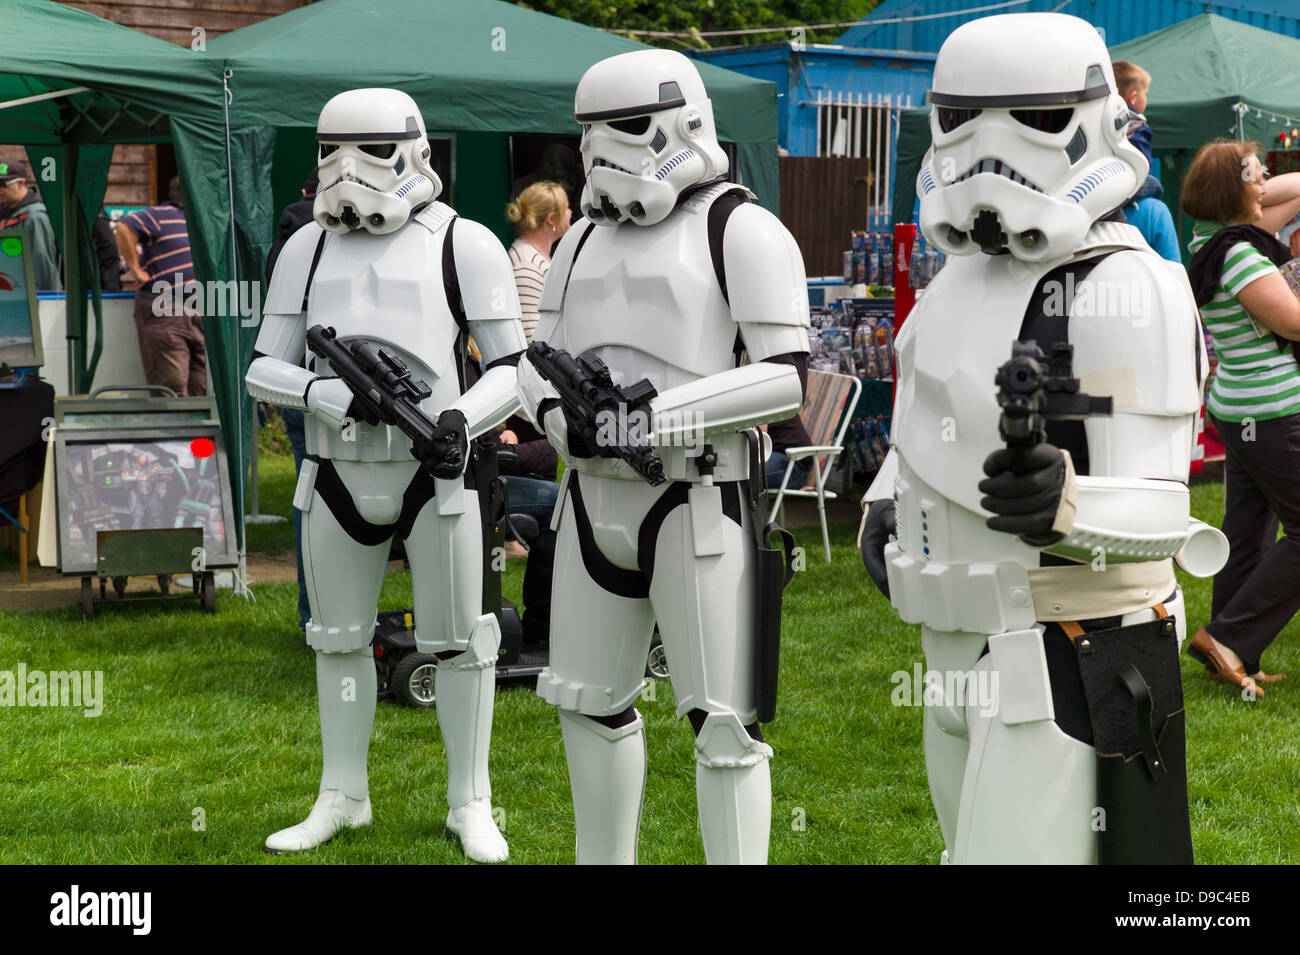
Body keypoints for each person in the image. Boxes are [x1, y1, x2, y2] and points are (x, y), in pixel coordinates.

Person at [861, 12, 1212, 864]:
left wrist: (1067, 501)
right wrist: (883, 502)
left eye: (1032, 118)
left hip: (1069, 644)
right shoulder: (956, 284)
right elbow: (917, 431)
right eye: (961, 121)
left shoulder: (1131, 286)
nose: (988, 153)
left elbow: (1170, 511)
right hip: (950, 646)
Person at [516, 49, 810, 864]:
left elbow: (784, 383)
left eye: (627, 130)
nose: (606, 152)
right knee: (586, 703)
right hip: (591, 503)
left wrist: (657, 420)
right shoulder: (576, 244)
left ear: (684, 121)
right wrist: (563, 421)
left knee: (723, 723)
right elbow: (534, 361)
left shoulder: (741, 229)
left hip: (700, 497)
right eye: (592, 136)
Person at [246, 88, 526, 862]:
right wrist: (323, 392)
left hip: (436, 471)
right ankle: (343, 792)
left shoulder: (463, 244)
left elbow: (514, 367)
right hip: (336, 468)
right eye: (331, 153)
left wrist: (459, 422)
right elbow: (263, 365)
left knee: (464, 640)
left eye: (367, 152)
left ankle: (471, 798)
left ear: (412, 150)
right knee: (337, 639)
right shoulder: (306, 248)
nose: (347, 173)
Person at [1181, 139, 1300, 694]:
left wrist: (1249, 178)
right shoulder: (1242, 253)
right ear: (1232, 191)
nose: (1265, 184)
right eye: (1254, 177)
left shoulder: (1217, 239)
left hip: (1243, 410)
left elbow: (1280, 193)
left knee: (1248, 531)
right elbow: (1295, 323)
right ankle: (1229, 638)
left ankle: (1235, 655)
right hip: (1273, 412)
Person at [266, 168, 320, 633]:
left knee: (310, 497)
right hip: (337, 386)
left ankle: (313, 616)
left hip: (294, 382)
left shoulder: (285, 246)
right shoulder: (332, 242)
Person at [116, 177, 206, 396]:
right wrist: (135, 270)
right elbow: (123, 226)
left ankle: (194, 431)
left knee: (201, 388)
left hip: (200, 309)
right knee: (171, 388)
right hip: (167, 310)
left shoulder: (200, 221)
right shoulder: (161, 215)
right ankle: (177, 431)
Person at [505, 181, 571, 342]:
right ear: (552, 219)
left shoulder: (536, 257)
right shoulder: (526, 264)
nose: (570, 212)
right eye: (566, 207)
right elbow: (531, 339)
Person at [0, 158, 61, 291]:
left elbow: (42, 265)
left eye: (3, 184)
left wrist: (43, 300)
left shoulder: (35, 216)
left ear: (21, 183)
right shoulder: (6, 213)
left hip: (34, 299)